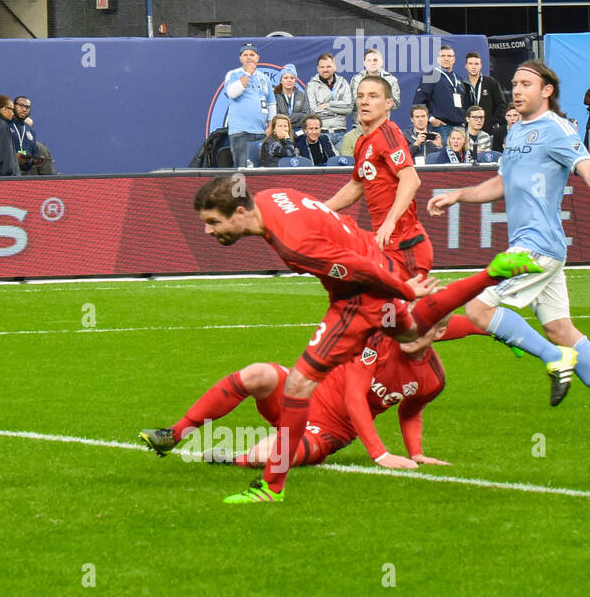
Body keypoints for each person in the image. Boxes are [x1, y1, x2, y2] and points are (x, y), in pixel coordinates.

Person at [178, 173, 539, 502]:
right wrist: (497, 330)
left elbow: (359, 272)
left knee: (296, 393)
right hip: (374, 267)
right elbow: (439, 324)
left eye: (212, 222)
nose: (209, 231)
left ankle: (263, 482)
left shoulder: (296, 246)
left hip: (356, 306)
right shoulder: (275, 199)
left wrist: (404, 290)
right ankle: (490, 275)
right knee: (408, 332)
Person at [428, 59, 589, 406]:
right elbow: (502, 182)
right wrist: (458, 195)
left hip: (538, 246)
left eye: (526, 84)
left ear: (547, 91)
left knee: (477, 309)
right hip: (533, 244)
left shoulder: (558, 128)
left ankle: (554, 358)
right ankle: (559, 351)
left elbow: (585, 167)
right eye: (514, 83)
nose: (516, 90)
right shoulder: (515, 130)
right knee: (561, 329)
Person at [142, 321, 449, 471]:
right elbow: (355, 396)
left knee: (270, 455)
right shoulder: (379, 338)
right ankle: (174, 434)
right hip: (301, 392)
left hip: (329, 431)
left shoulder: (433, 378)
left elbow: (411, 411)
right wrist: (380, 455)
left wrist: (415, 451)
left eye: (423, 327)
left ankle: (233, 458)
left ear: (440, 331)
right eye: (411, 322)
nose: (412, 331)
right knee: (258, 373)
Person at [324, 76, 430, 274]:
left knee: (407, 305)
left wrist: (390, 221)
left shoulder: (388, 134)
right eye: (361, 96)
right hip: (385, 243)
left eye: (373, 96)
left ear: (389, 104)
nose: (364, 101)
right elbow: (357, 185)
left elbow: (411, 179)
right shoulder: (362, 143)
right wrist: (323, 209)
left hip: (405, 245)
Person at [223, 43, 275, 168]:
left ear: (258, 58)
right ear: (240, 59)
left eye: (252, 54)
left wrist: (270, 126)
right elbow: (232, 93)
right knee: (243, 170)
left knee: (261, 170)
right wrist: (247, 74)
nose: (249, 57)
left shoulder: (264, 78)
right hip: (242, 132)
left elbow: (271, 103)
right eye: (245, 55)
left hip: (261, 132)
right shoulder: (233, 74)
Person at [413, 43, 467, 129]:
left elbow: (464, 103)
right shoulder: (431, 76)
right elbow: (418, 102)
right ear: (438, 59)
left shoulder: (458, 78)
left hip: (459, 127)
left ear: (454, 59)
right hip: (441, 127)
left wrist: (463, 119)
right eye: (443, 56)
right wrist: (431, 119)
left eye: (449, 56)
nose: (446, 59)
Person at [305, 52, 353, 145]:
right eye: (322, 67)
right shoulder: (311, 85)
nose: (325, 70)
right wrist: (338, 111)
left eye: (328, 66)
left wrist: (328, 105)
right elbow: (313, 111)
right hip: (322, 134)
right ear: (318, 69)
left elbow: (349, 108)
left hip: (341, 133)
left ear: (334, 67)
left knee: (343, 159)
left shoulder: (343, 83)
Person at [462, 50, 506, 134]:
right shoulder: (462, 84)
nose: (473, 67)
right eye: (470, 64)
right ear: (466, 66)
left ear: (481, 66)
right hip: (468, 130)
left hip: (488, 129)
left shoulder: (490, 82)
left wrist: (492, 122)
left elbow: (501, 105)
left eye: (476, 64)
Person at [9, 96, 49, 174]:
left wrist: (35, 161)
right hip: (7, 174)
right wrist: (14, 158)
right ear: (13, 106)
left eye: (27, 107)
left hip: (26, 175)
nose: (24, 109)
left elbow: (34, 153)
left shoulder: (30, 130)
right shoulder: (6, 125)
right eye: (21, 106)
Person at [273, 64, 310, 133]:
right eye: (286, 78)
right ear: (281, 80)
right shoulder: (275, 96)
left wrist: (286, 118)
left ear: (295, 81)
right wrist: (298, 116)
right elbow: (276, 117)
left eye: (292, 78)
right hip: (281, 130)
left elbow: (306, 115)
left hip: (299, 130)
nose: (289, 80)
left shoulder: (302, 95)